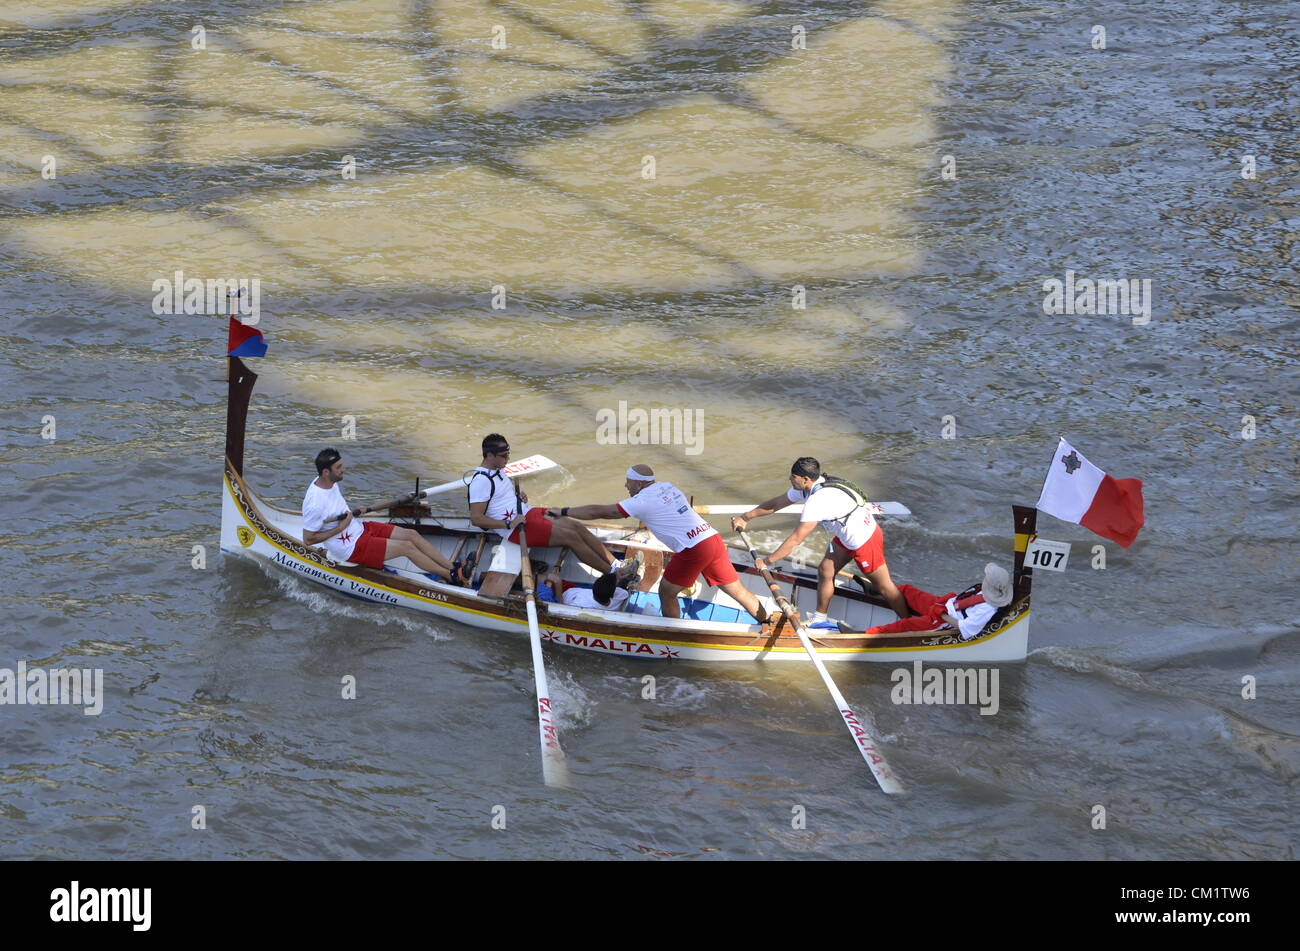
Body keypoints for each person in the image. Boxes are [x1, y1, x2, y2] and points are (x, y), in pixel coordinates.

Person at [547, 464, 770, 623]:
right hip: (712, 538)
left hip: (693, 548)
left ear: (637, 483)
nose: (626, 486)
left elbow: (601, 511)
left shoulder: (642, 499)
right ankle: (766, 621)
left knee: (666, 592)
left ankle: (672, 634)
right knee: (737, 590)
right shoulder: (668, 486)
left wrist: (563, 511)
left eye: (628, 482)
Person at [732, 456, 909, 623]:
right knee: (826, 570)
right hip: (845, 536)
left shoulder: (816, 501)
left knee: (885, 587)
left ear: (806, 479)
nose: (790, 479)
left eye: (793, 477)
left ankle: (910, 624)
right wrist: (746, 517)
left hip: (864, 540)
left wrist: (767, 561)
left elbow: (796, 539)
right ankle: (820, 620)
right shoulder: (812, 486)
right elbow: (777, 503)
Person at [467, 434, 625, 599]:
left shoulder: (498, 469)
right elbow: (476, 518)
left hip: (526, 512)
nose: (507, 459)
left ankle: (617, 564)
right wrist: (509, 524)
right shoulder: (480, 482)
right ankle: (615, 576)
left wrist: (517, 496)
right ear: (489, 455)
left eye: (508, 454)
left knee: (576, 525)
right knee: (571, 537)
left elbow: (498, 498)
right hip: (515, 529)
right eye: (504, 456)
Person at [301, 448, 461, 581]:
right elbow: (308, 539)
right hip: (351, 547)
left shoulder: (328, 481)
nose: (344, 469)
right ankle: (450, 576)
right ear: (325, 472)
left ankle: (453, 568)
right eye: (339, 467)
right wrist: (340, 528)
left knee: (412, 534)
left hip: (359, 528)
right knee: (407, 547)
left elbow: (335, 507)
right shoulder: (315, 503)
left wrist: (353, 512)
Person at [865, 563, 1013, 638]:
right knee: (906, 590)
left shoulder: (988, 609)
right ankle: (878, 588)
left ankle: (869, 634)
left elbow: (965, 627)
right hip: (945, 604)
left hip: (944, 619)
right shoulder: (986, 591)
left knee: (905, 625)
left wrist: (942, 615)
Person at [537, 566, 633, 612]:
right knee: (545, 577)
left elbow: (561, 608)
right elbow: (618, 588)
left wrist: (558, 584)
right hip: (574, 590)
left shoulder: (581, 605)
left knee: (541, 578)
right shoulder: (620, 595)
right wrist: (618, 576)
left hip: (562, 596)